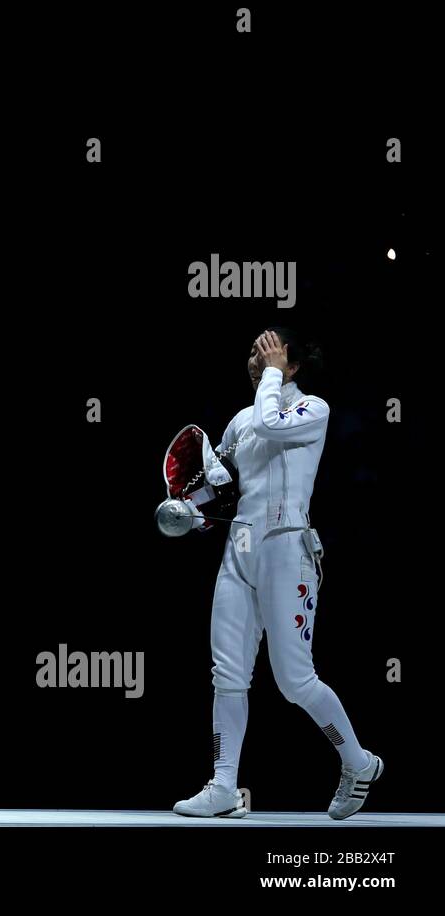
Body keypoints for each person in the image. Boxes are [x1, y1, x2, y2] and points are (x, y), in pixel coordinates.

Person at [173, 328, 382, 820]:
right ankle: (224, 785)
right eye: (252, 351)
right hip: (241, 547)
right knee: (227, 673)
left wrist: (271, 372)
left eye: (268, 351)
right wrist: (186, 506)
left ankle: (359, 763)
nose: (256, 358)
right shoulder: (241, 420)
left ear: (293, 363)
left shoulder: (313, 410)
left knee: (294, 680)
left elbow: (270, 424)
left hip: (288, 545)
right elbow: (219, 487)